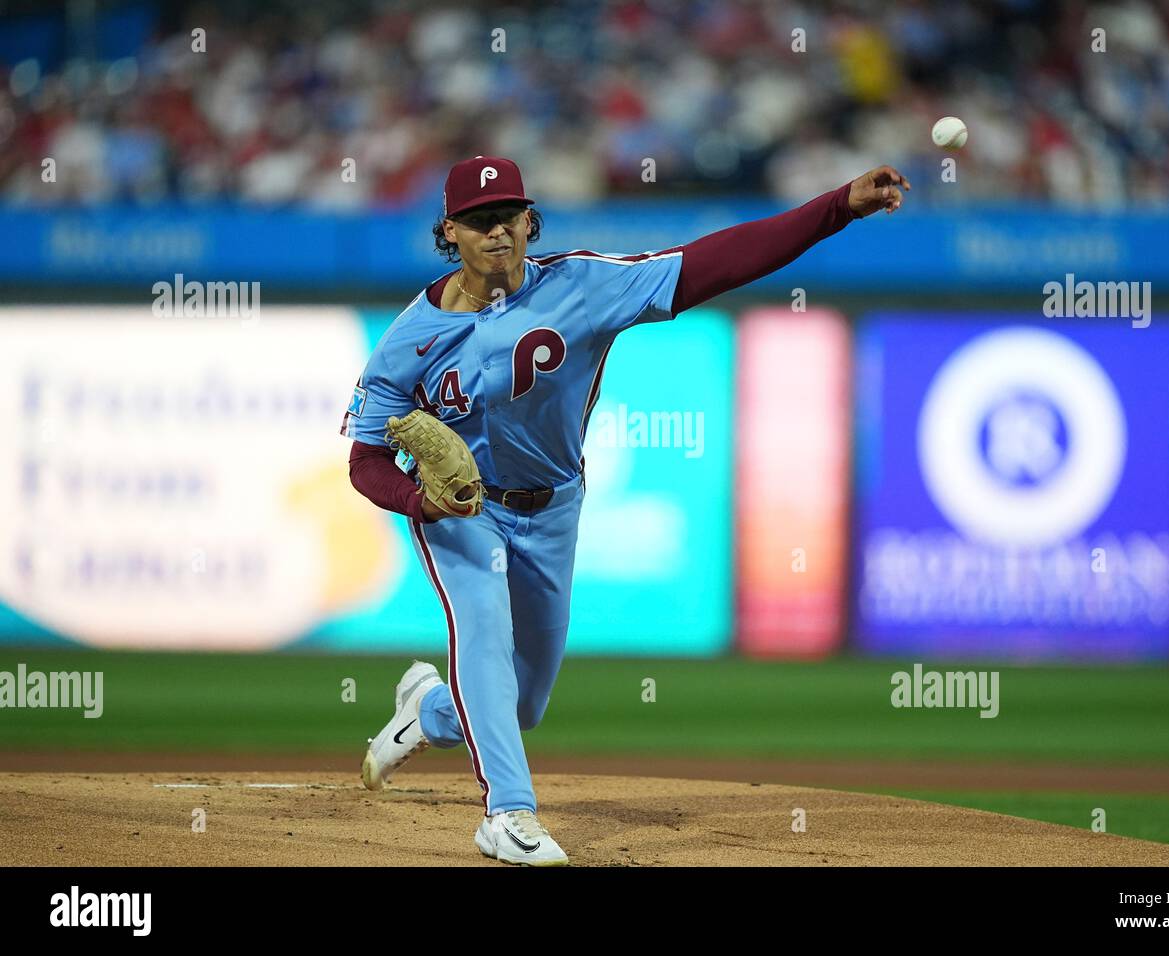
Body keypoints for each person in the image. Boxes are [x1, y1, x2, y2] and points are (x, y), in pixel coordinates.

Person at [343, 154, 909, 866]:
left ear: (528, 222)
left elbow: (714, 263)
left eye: (509, 217)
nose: (498, 233)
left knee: (521, 707)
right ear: (449, 231)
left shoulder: (581, 287)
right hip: (464, 512)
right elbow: (366, 462)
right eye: (479, 221)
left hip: (553, 507)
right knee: (481, 626)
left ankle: (425, 711)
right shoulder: (407, 340)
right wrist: (417, 499)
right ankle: (508, 814)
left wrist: (837, 206)